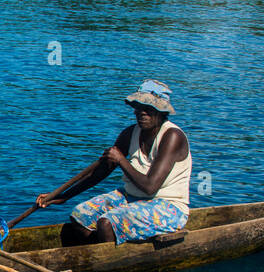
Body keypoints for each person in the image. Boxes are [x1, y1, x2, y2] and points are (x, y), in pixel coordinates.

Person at [35, 80, 192, 246]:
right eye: (138, 107)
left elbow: (150, 187)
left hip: (168, 206)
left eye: (148, 108)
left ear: (161, 112)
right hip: (132, 197)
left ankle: (112, 256)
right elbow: (100, 172)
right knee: (80, 215)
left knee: (106, 223)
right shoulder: (130, 133)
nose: (142, 113)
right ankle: (100, 252)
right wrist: (64, 196)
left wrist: (121, 159)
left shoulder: (172, 136)